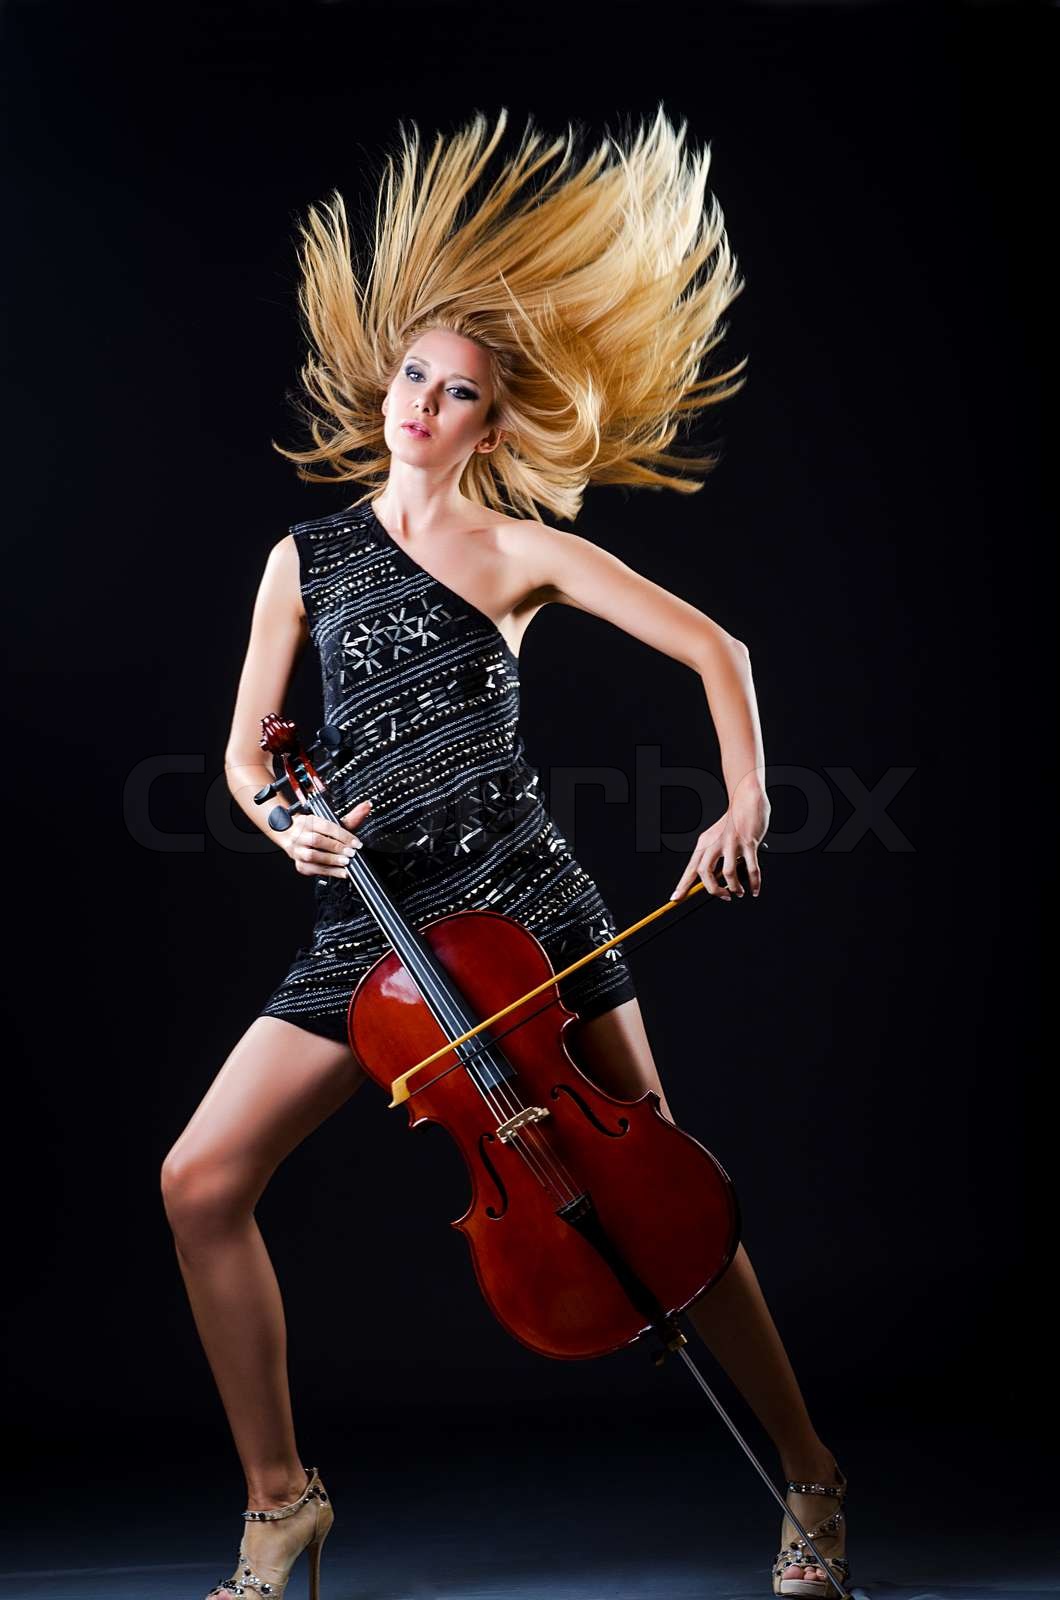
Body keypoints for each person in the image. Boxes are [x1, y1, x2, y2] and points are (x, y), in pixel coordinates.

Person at [161, 106, 849, 1600]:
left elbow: (718, 648)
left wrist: (744, 802)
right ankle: (281, 1506)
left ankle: (809, 1478)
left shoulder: (525, 551)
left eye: (457, 392)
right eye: (413, 374)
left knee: (664, 1195)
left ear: (494, 422)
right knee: (201, 1181)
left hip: (530, 913)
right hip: (375, 928)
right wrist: (289, 822)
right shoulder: (306, 559)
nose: (421, 403)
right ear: (386, 381)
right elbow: (241, 752)